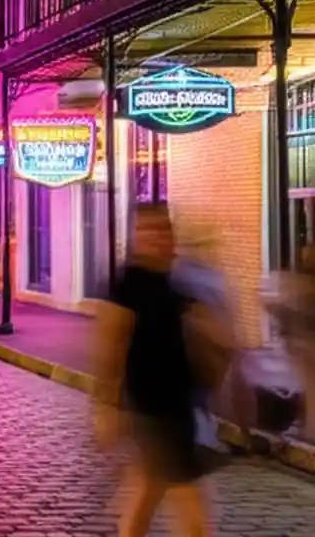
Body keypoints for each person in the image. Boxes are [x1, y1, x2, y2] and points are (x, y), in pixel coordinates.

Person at [94, 204, 218, 537]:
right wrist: (105, 404)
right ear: (136, 237)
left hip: (176, 406)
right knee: (192, 518)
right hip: (153, 409)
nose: (159, 238)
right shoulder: (129, 284)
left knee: (147, 494)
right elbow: (110, 343)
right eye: (149, 232)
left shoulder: (170, 282)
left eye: (164, 230)